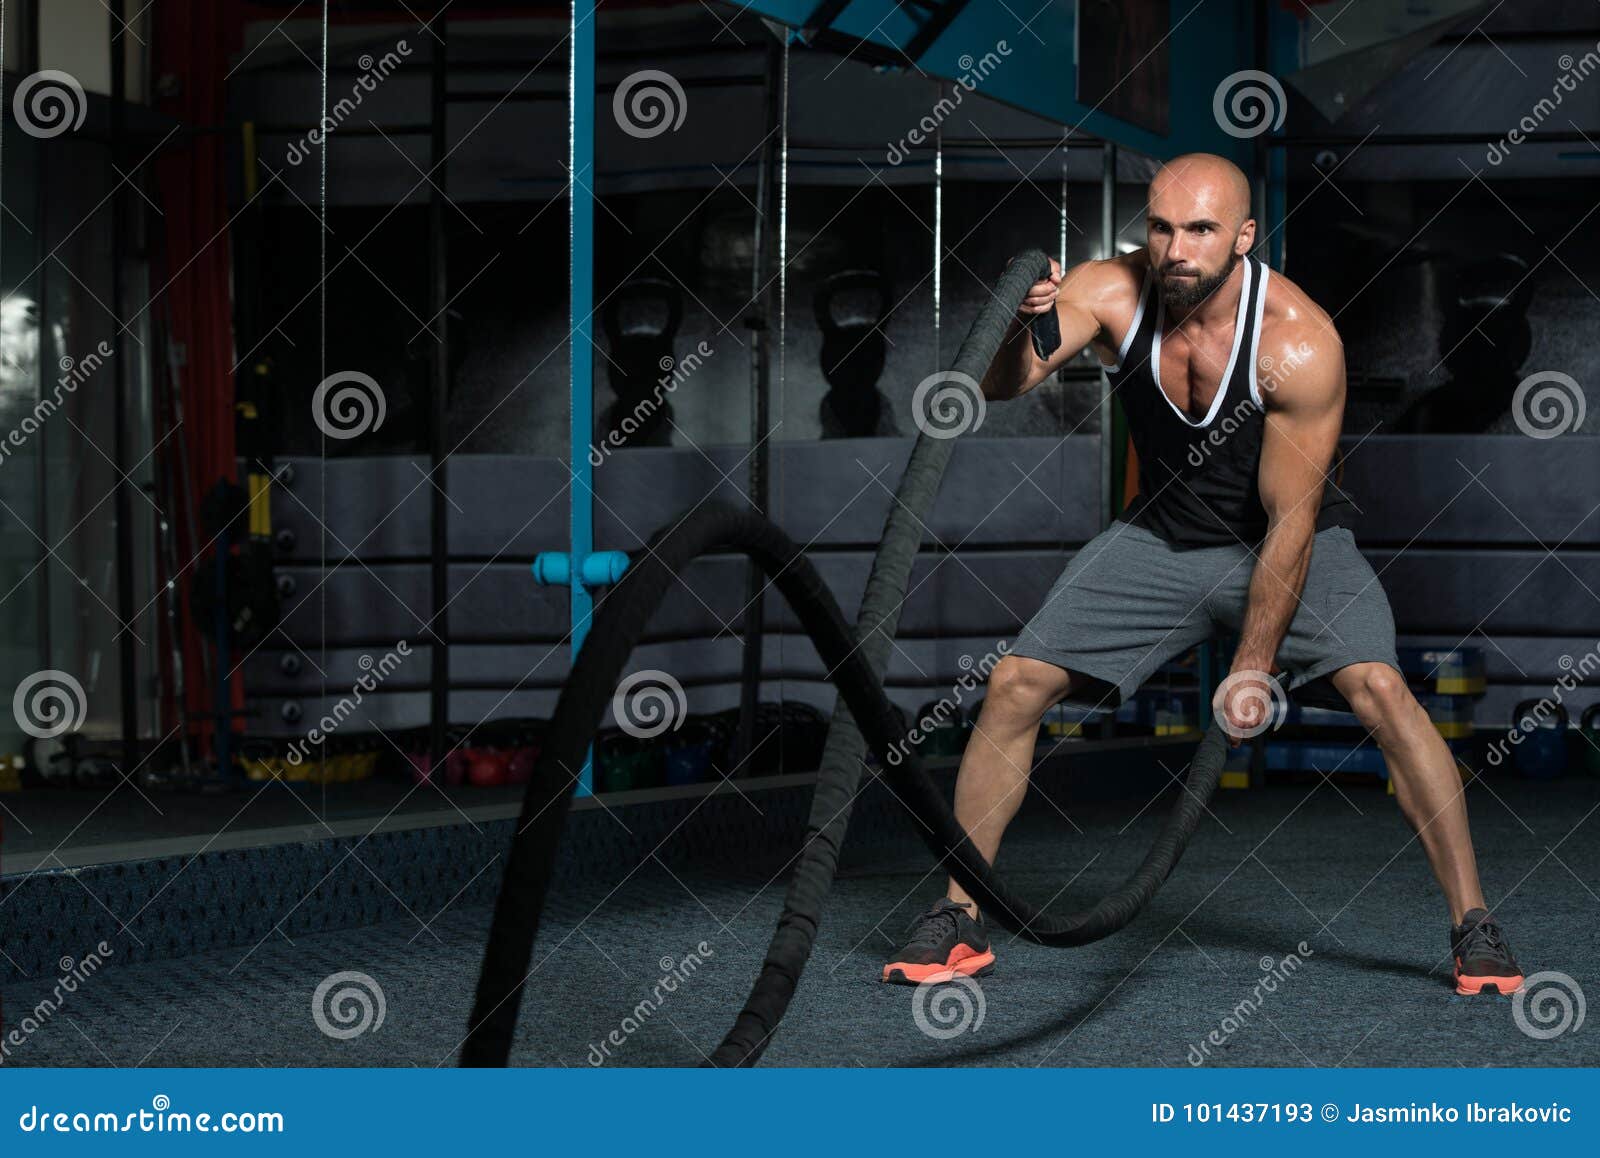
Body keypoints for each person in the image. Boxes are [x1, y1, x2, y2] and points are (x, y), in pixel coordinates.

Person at [880, 153, 1524, 998]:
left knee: (1382, 691)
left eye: (1201, 230)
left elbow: (1290, 521)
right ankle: (960, 916)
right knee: (1014, 683)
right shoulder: (1113, 291)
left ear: (1245, 237)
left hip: (1293, 541)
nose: (1176, 248)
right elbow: (1008, 385)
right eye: (1161, 227)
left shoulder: (1298, 340)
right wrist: (1015, 322)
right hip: (1164, 539)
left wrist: (1252, 666)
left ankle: (1473, 921)